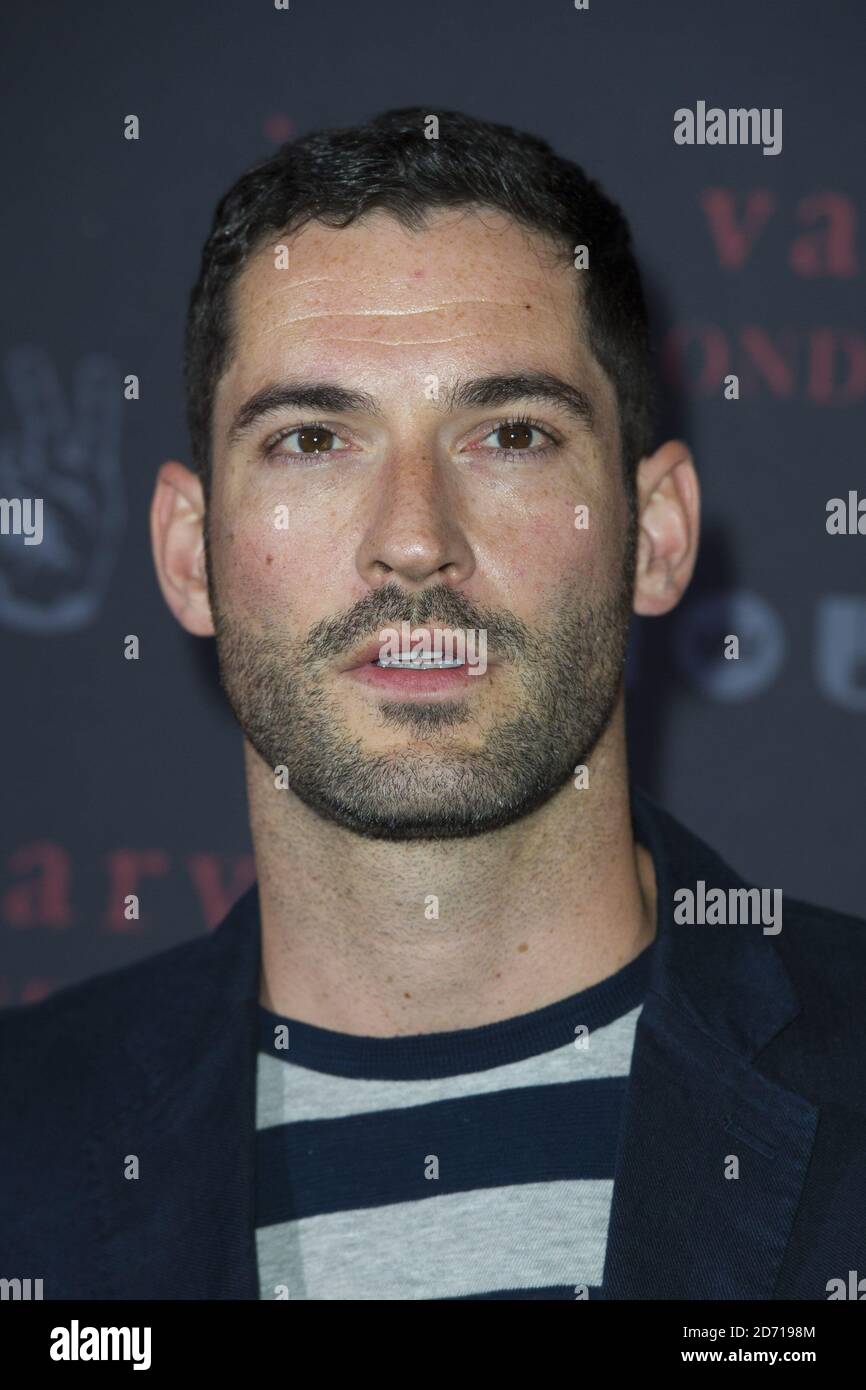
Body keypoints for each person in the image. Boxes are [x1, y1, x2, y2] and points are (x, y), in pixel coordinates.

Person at [2, 108, 864, 1302]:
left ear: (655, 533)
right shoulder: (22, 1154)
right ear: (190, 554)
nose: (413, 540)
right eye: (311, 440)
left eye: (509, 433)